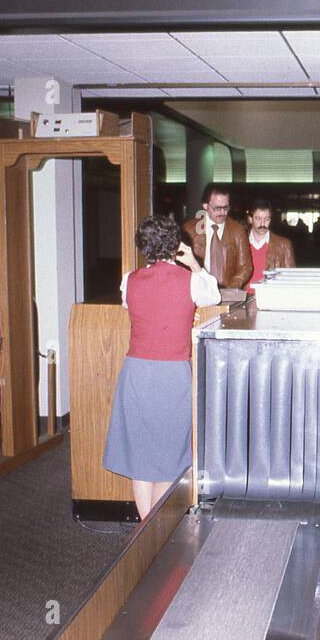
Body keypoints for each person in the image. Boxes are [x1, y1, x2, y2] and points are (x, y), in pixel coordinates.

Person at [104, 215, 221, 518]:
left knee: (141, 455)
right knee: (171, 455)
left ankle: (146, 526)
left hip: (137, 373)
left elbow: (134, 306)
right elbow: (215, 294)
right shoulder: (193, 281)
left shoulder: (128, 280)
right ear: (175, 245)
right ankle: (154, 526)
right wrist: (193, 262)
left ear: (144, 247)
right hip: (172, 374)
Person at [181, 184, 252, 290]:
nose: (222, 213)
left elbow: (245, 267)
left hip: (228, 293)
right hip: (197, 292)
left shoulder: (238, 230)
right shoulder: (189, 230)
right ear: (205, 205)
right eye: (217, 208)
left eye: (226, 207)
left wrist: (230, 288)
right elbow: (181, 266)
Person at [244, 199, 297, 292]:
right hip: (244, 299)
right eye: (258, 218)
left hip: (271, 298)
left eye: (266, 219)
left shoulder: (284, 245)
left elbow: (291, 279)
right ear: (250, 219)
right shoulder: (240, 243)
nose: (262, 223)